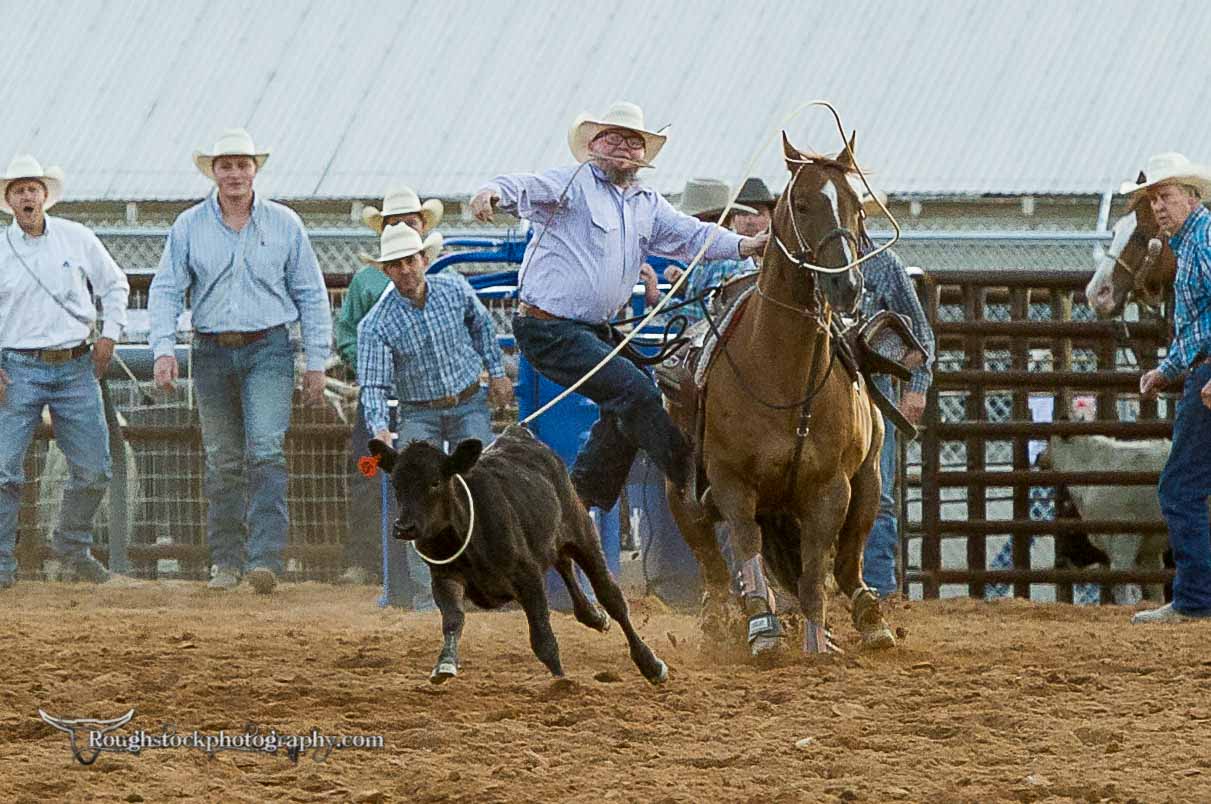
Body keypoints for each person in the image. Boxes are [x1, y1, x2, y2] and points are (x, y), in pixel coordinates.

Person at [469, 101, 768, 513]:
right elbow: (527, 186)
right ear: (593, 145)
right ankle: (692, 477)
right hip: (549, 328)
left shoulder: (648, 202)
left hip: (591, 329)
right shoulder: (572, 183)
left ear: (643, 155)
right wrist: (493, 192)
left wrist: (744, 245)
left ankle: (582, 498)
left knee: (634, 393)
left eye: (633, 141)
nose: (623, 148)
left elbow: (691, 234)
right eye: (613, 138)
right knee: (636, 390)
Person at [148, 128, 332, 595]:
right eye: (226, 165)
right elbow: (167, 288)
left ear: (255, 170)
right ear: (214, 171)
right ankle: (226, 560)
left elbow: (311, 294)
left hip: (268, 345)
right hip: (210, 349)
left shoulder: (286, 224)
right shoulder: (188, 225)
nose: (234, 173)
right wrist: (164, 349)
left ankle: (264, 559)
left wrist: (316, 360)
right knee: (223, 459)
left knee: (265, 449)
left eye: (242, 164)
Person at [0, 154, 129, 589]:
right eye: (18, 190)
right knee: (3, 470)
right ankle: (1, 564)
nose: (26, 196)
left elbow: (115, 284)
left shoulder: (77, 238)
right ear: (9, 201)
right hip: (16, 365)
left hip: (75, 363)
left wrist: (110, 335)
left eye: (32, 189)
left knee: (94, 468)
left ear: (44, 195)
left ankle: (72, 545)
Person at [333, 186, 443, 590]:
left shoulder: (438, 277)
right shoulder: (367, 281)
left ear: (422, 227)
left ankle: (426, 561)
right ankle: (364, 559)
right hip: (378, 394)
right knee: (368, 469)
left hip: (423, 394)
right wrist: (369, 365)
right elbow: (347, 332)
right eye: (393, 223)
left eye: (408, 222)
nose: (401, 228)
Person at [1131, 152, 1211, 623]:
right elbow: (1199, 326)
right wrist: (1166, 370)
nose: (1159, 207)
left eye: (1166, 196)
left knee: (1180, 487)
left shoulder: (1203, 241)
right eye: (1154, 199)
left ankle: (1196, 599)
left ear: (1191, 195)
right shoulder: (1195, 239)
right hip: (1200, 370)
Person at [356, 222, 512, 459]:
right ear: (386, 271)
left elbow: (482, 326)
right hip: (419, 411)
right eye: (397, 265)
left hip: (468, 400)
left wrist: (497, 372)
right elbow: (374, 384)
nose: (406, 269)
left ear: (424, 260)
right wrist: (379, 428)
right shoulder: (375, 324)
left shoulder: (455, 289)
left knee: (481, 471)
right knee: (419, 481)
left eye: (411, 260)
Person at [849, 179, 935, 598]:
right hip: (829, 393)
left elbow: (920, 336)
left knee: (877, 492)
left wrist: (916, 387)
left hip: (873, 392)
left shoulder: (884, 265)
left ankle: (879, 590)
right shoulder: (807, 265)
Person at [661, 177, 757, 323]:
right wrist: (685, 284)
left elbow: (704, 318)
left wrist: (657, 297)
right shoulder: (709, 256)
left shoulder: (729, 260)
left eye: (692, 223)